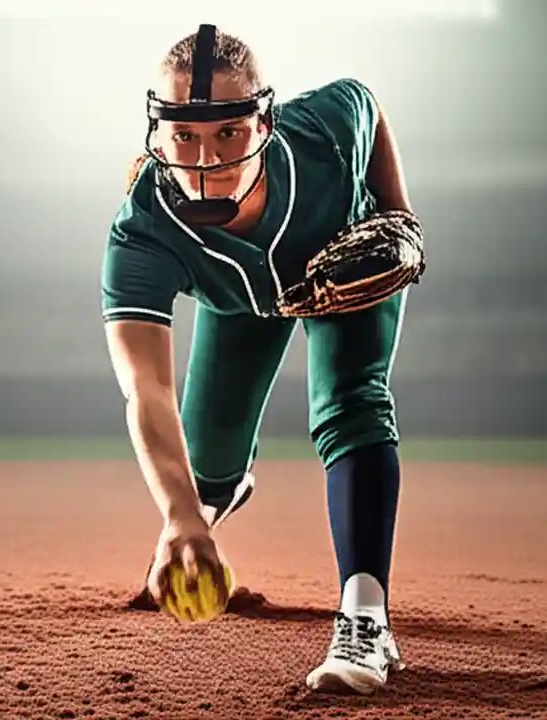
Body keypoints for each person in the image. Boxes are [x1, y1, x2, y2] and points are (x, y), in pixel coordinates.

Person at [100, 23, 424, 695]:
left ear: (267, 124)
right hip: (238, 302)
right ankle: (216, 499)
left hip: (340, 271)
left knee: (351, 406)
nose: (205, 161)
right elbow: (145, 390)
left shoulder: (320, 138)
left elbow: (364, 100)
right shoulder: (142, 229)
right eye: (184, 135)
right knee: (206, 462)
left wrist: (397, 212)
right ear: (155, 136)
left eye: (228, 133)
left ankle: (366, 621)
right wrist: (181, 516)